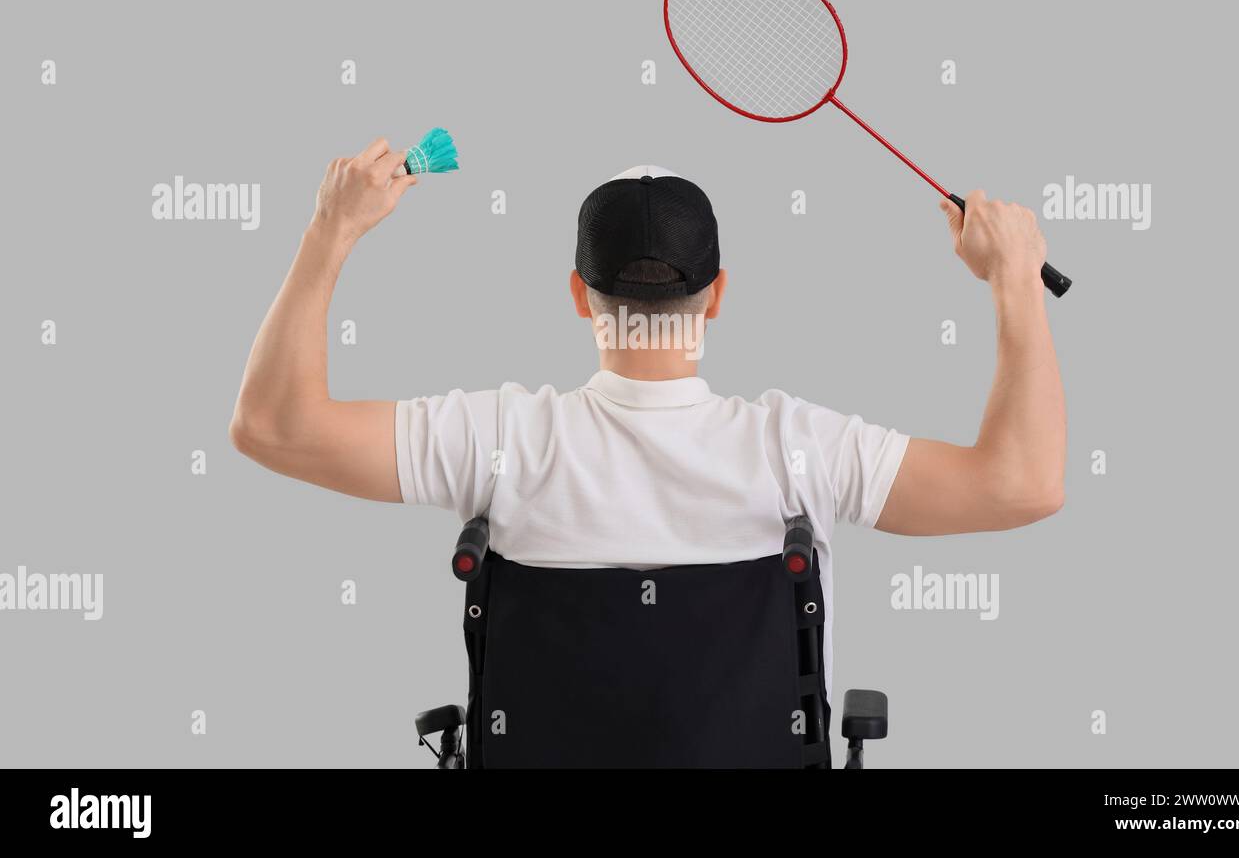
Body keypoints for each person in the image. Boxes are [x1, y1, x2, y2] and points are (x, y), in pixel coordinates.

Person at [230, 137, 1066, 693]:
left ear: (576, 296)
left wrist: (330, 230)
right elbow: (1023, 485)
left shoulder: (495, 445)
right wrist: (1014, 282)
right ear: (718, 299)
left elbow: (272, 426)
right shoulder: (800, 451)